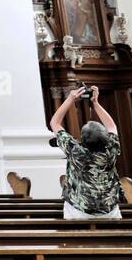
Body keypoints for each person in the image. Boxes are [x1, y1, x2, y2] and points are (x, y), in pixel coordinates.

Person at [48, 84, 122, 220]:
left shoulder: (75, 150)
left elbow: (55, 123)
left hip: (79, 210)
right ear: (105, 137)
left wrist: (70, 98)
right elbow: (112, 125)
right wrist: (96, 103)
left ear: (82, 138)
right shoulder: (111, 148)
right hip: (108, 209)